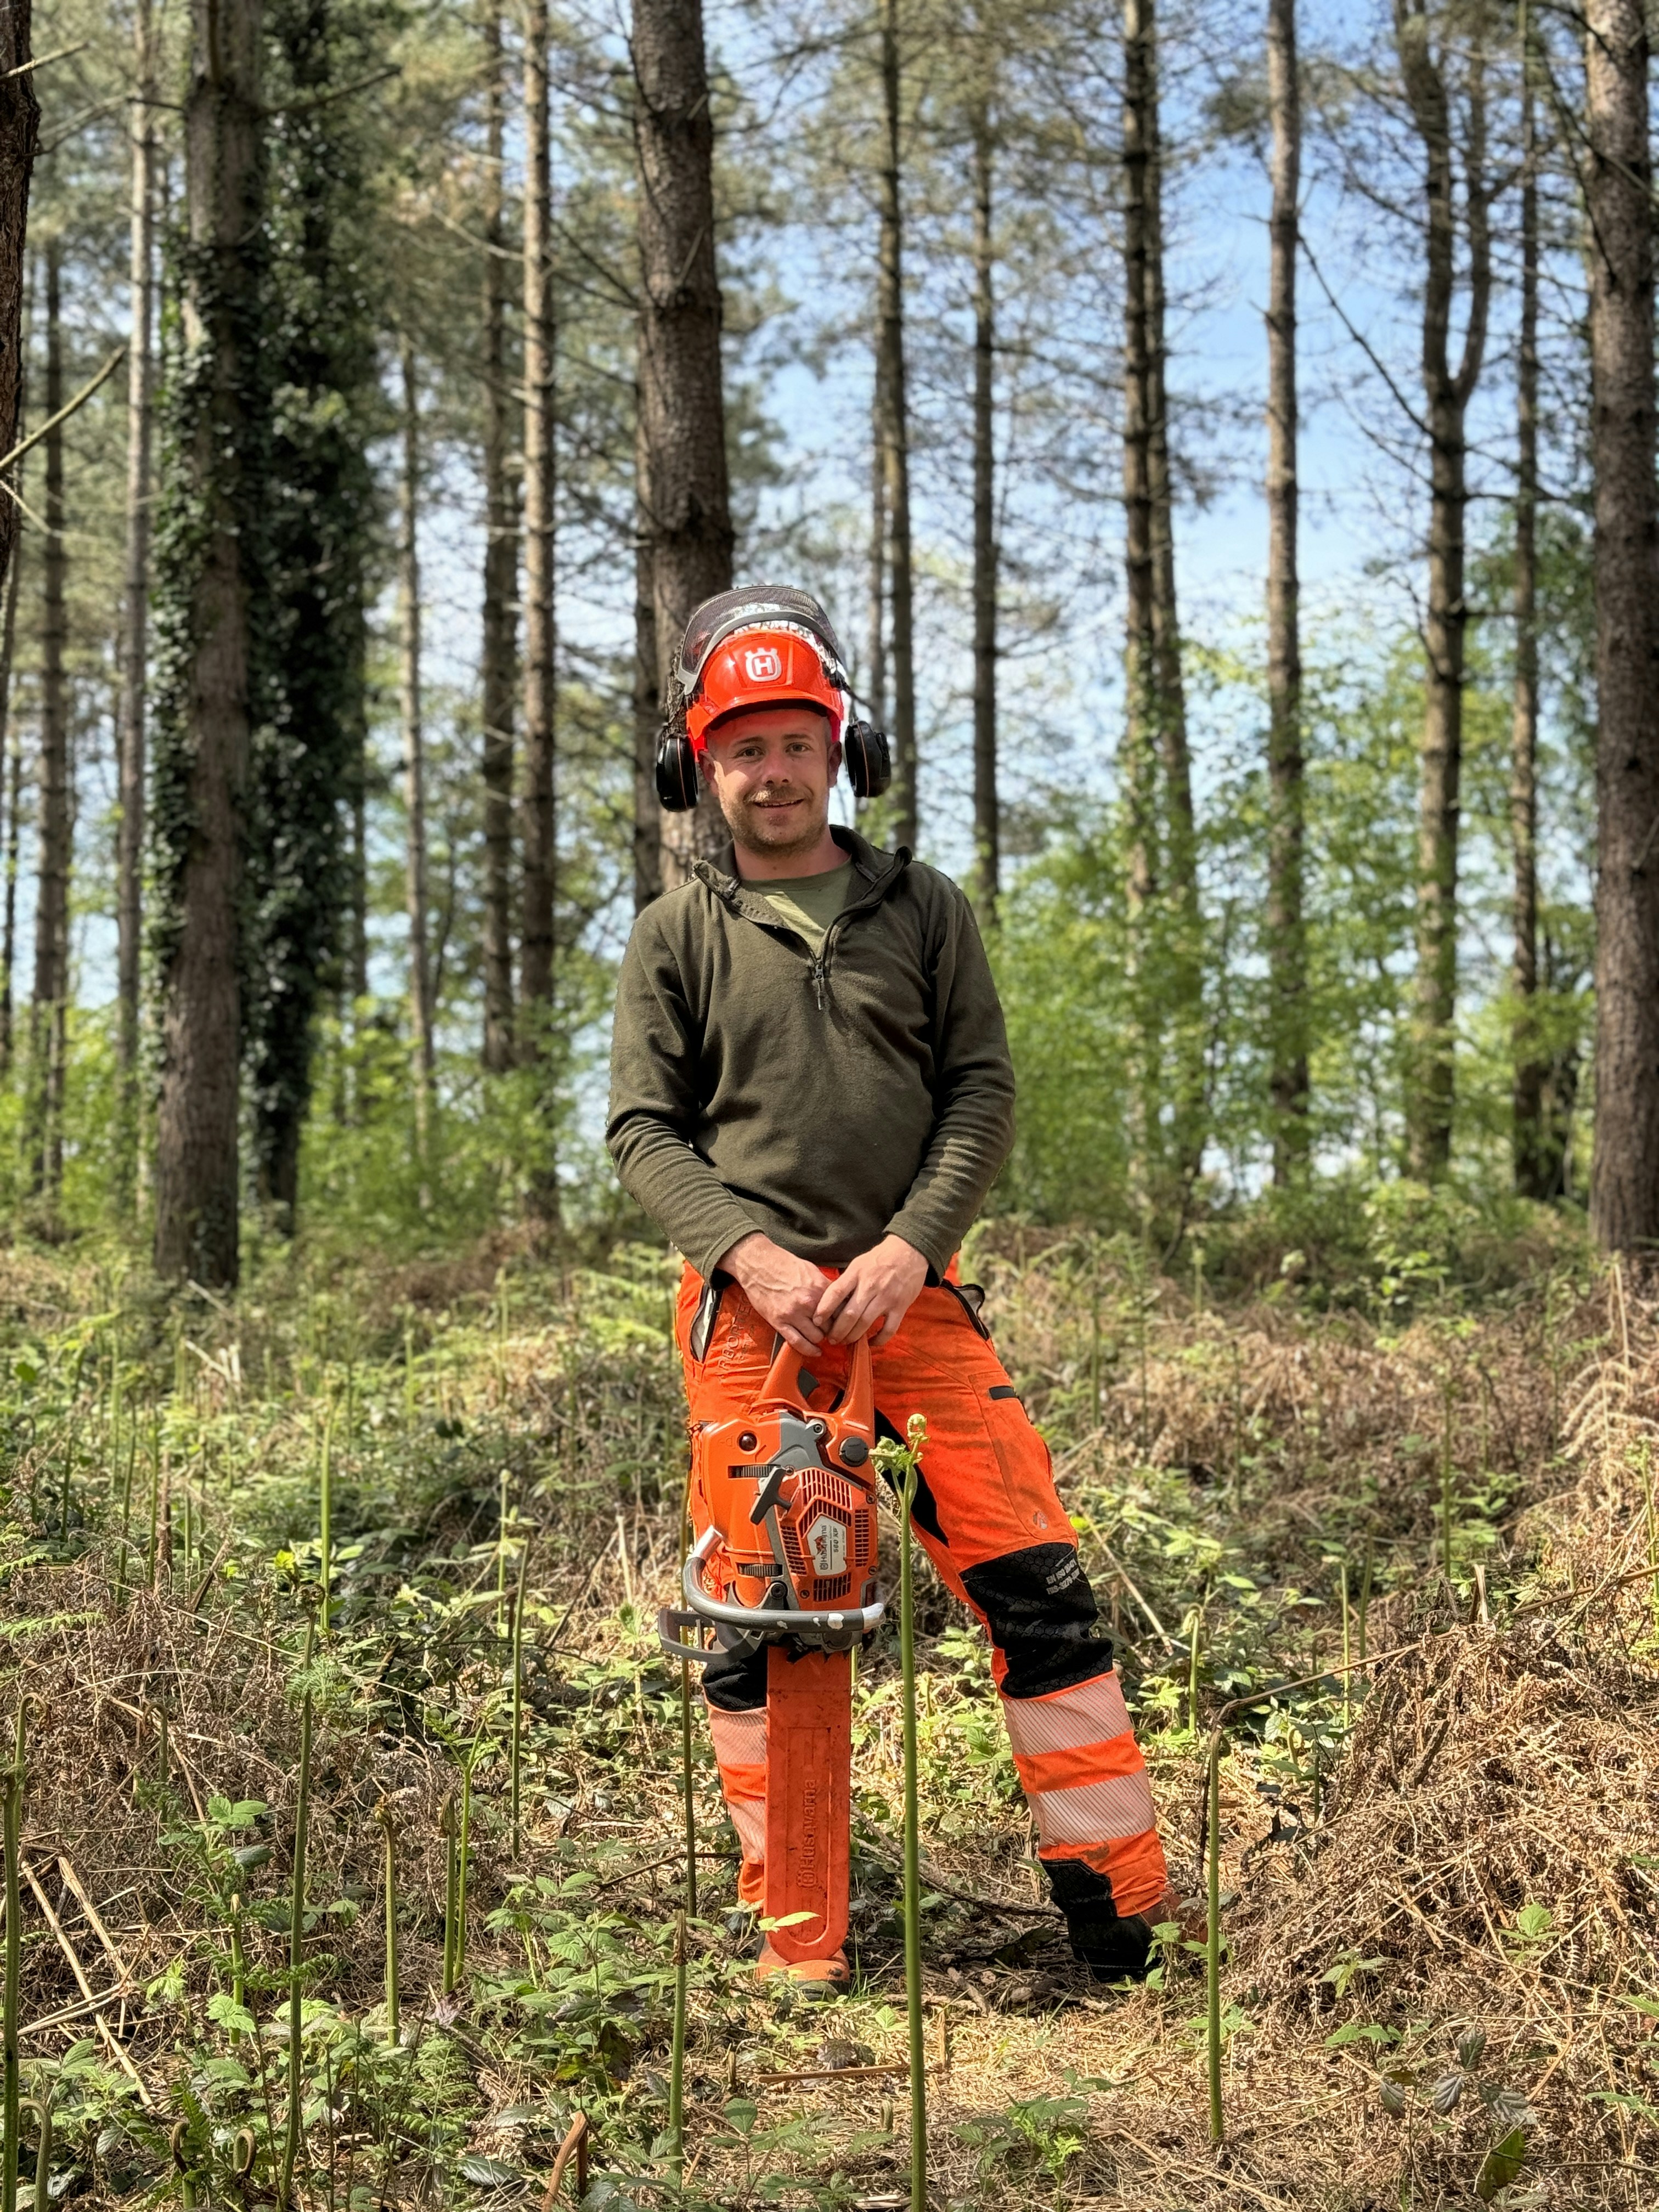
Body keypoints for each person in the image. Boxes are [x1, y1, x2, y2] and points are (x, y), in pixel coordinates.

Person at [606, 585, 1180, 1985]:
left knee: (1040, 1589)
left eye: (798, 740)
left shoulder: (922, 908)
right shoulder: (674, 934)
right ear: (699, 768)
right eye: (743, 747)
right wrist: (748, 1254)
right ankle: (795, 1935)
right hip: (756, 1332)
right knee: (770, 1628)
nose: (774, 771)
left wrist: (911, 1246)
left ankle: (1120, 1927)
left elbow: (980, 1093)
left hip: (914, 1312)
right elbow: (641, 1131)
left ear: (842, 748)